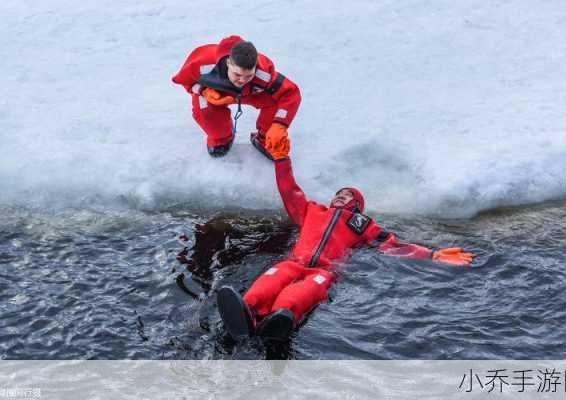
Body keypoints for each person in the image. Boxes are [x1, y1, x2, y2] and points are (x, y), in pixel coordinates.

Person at [217, 136, 475, 342]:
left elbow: (393, 246)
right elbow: (289, 188)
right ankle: (248, 312)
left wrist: (431, 254)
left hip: (324, 271)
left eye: (348, 195)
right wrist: (282, 159)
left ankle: (278, 322)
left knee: (297, 297)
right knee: (269, 283)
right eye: (339, 193)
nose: (340, 196)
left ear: (358, 205)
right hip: (294, 262)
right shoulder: (311, 210)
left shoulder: (362, 224)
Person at [172, 35, 302, 158]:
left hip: (250, 94)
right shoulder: (202, 64)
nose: (242, 80)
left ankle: (266, 138)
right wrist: (203, 91)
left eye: (249, 75)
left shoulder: (264, 73)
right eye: (237, 75)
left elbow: (290, 93)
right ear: (228, 63)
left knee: (276, 99)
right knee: (205, 109)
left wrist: (280, 125)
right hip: (216, 94)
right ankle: (222, 138)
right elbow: (184, 81)